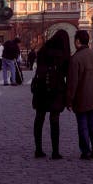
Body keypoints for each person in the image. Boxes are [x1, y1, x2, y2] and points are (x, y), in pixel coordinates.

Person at [31, 29, 70, 159]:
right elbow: (66, 73)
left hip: (41, 88)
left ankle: (38, 149)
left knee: (39, 118)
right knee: (54, 119)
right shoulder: (62, 54)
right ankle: (55, 151)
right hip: (56, 89)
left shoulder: (43, 50)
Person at [67, 30, 93, 160]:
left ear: (77, 41)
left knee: (82, 124)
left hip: (81, 97)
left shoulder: (76, 58)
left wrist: (69, 100)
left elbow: (72, 82)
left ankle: (86, 151)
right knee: (92, 123)